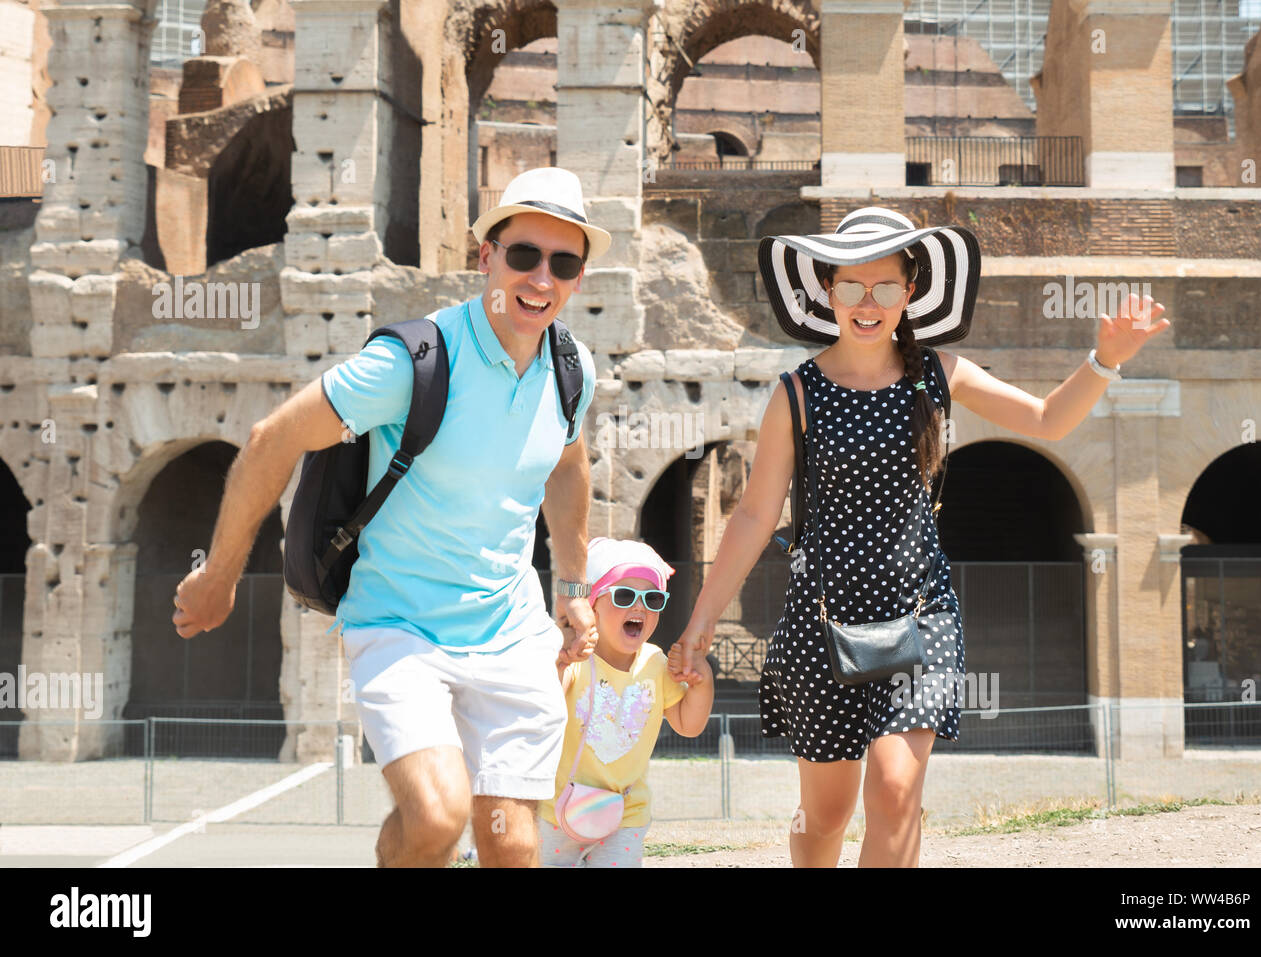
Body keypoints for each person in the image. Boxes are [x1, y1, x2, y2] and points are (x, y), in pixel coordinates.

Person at [673, 206, 1170, 867]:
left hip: (919, 621)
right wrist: (701, 621)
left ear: (911, 291)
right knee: (824, 816)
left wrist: (1104, 361)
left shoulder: (940, 373)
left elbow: (1048, 419)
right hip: (820, 628)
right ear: (828, 291)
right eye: (851, 285)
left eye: (885, 286)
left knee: (897, 787)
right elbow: (755, 516)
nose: (867, 302)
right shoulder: (795, 394)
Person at [172, 167, 612, 868]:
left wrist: (572, 588)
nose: (541, 278)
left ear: (579, 278)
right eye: (523, 254)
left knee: (514, 843)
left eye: (564, 263)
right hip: (399, 623)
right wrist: (219, 576)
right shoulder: (411, 362)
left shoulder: (571, 369)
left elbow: (567, 464)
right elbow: (272, 438)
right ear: (485, 258)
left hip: (510, 632)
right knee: (436, 817)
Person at [537, 537, 713, 867]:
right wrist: (560, 662)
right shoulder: (578, 660)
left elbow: (689, 726)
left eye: (653, 598)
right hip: (558, 810)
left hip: (624, 815)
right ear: (592, 605)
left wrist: (702, 683)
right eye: (623, 595)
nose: (639, 606)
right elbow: (547, 706)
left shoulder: (656, 664)